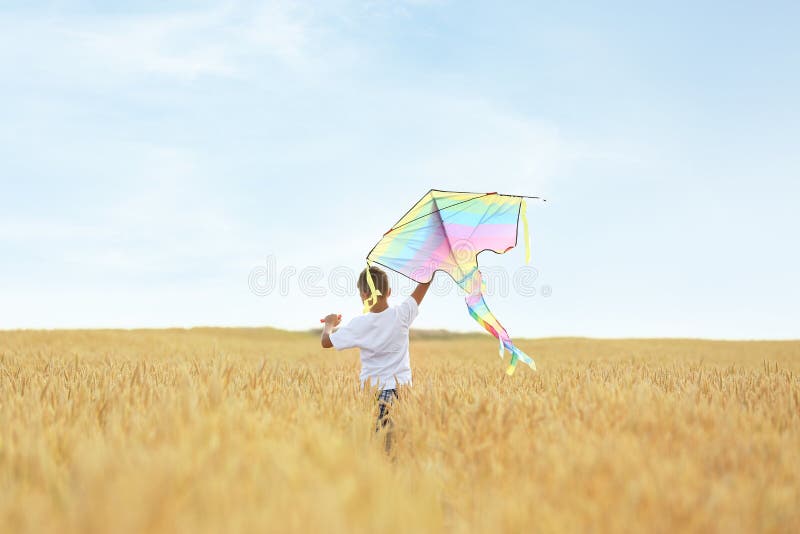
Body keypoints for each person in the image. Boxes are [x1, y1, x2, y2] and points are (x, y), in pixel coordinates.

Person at [320, 266, 430, 452]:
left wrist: (330, 323)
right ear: (389, 292)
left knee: (378, 447)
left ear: (363, 295)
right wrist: (435, 261)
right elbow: (425, 282)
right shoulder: (402, 314)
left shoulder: (359, 324)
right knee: (400, 447)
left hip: (374, 394)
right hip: (403, 393)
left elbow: (326, 341)